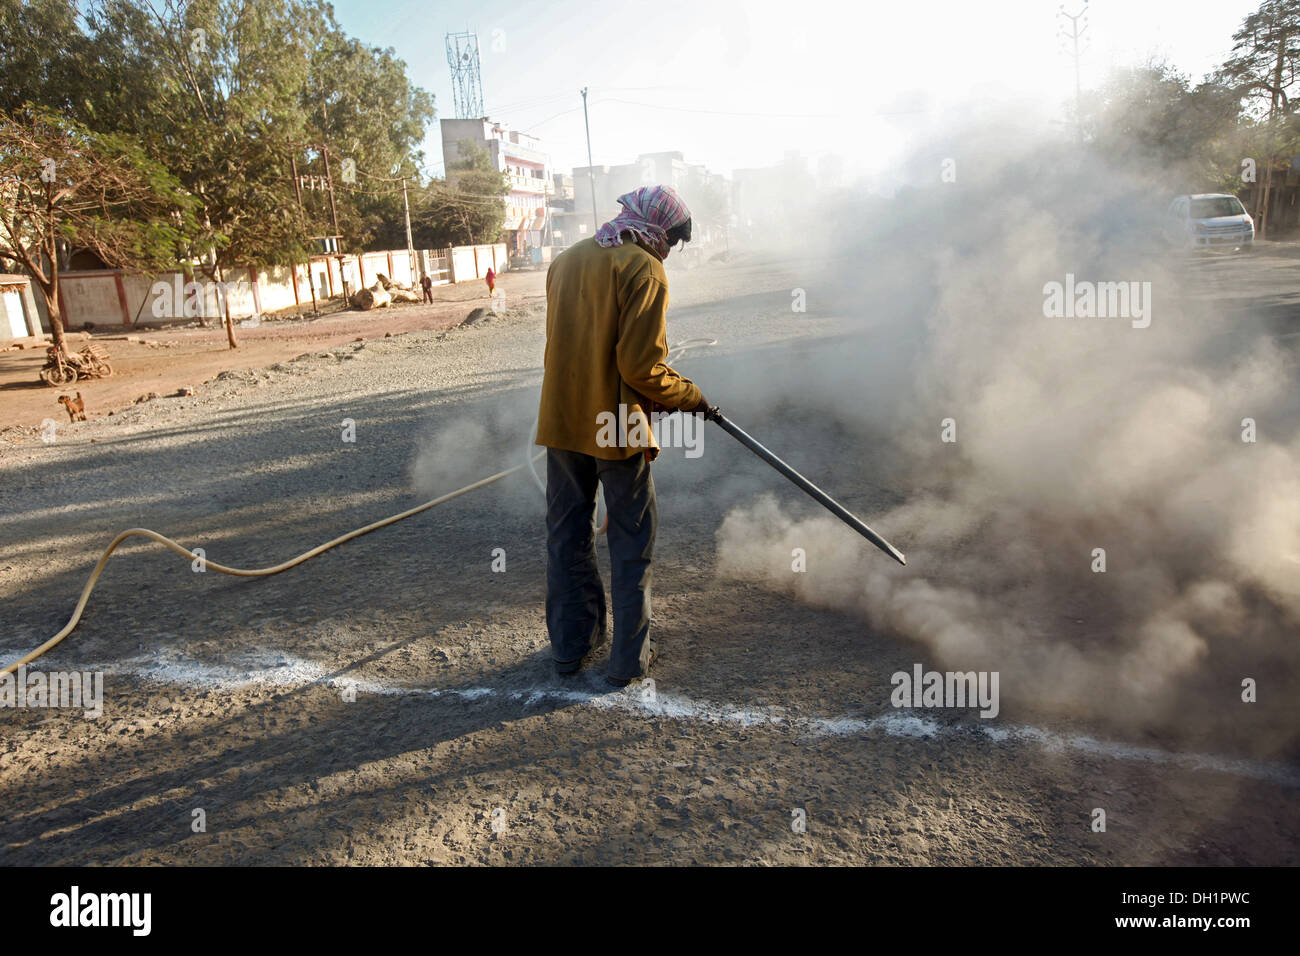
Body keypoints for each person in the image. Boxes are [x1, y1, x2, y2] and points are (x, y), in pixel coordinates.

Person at [535, 184, 712, 687]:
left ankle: (571, 647)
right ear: (659, 228)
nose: (668, 251)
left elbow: (565, 350)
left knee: (566, 536)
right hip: (615, 426)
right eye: (672, 241)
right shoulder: (644, 268)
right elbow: (639, 368)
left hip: (564, 420)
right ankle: (628, 661)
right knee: (632, 540)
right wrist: (691, 397)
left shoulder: (565, 261)